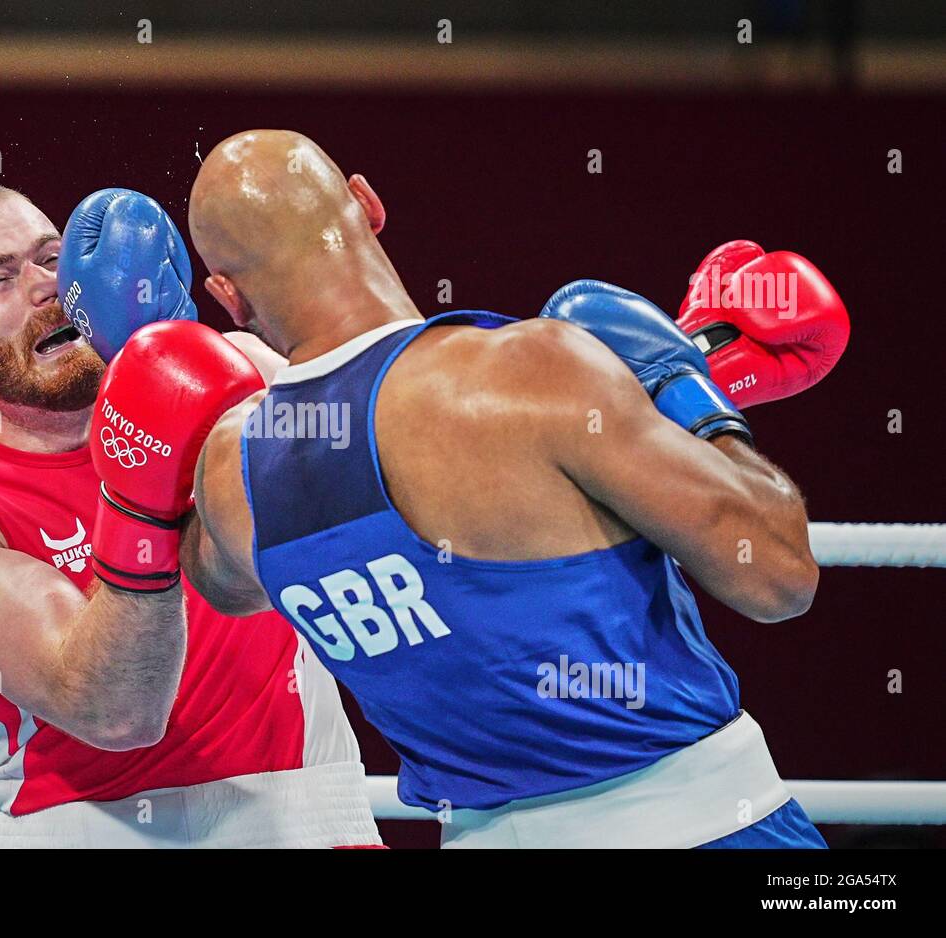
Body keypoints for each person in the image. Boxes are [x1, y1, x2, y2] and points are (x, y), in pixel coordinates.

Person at [89, 129, 847, 847]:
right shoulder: (537, 373)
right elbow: (779, 577)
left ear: (227, 294)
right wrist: (691, 388)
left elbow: (224, 584)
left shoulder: (234, 476)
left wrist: (143, 427)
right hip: (706, 822)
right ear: (368, 203)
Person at [0, 184, 381, 848]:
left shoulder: (234, 376)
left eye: (52, 257)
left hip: (307, 812)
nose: (45, 286)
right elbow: (114, 714)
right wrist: (145, 483)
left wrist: (356, 283)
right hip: (96, 831)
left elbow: (399, 462)